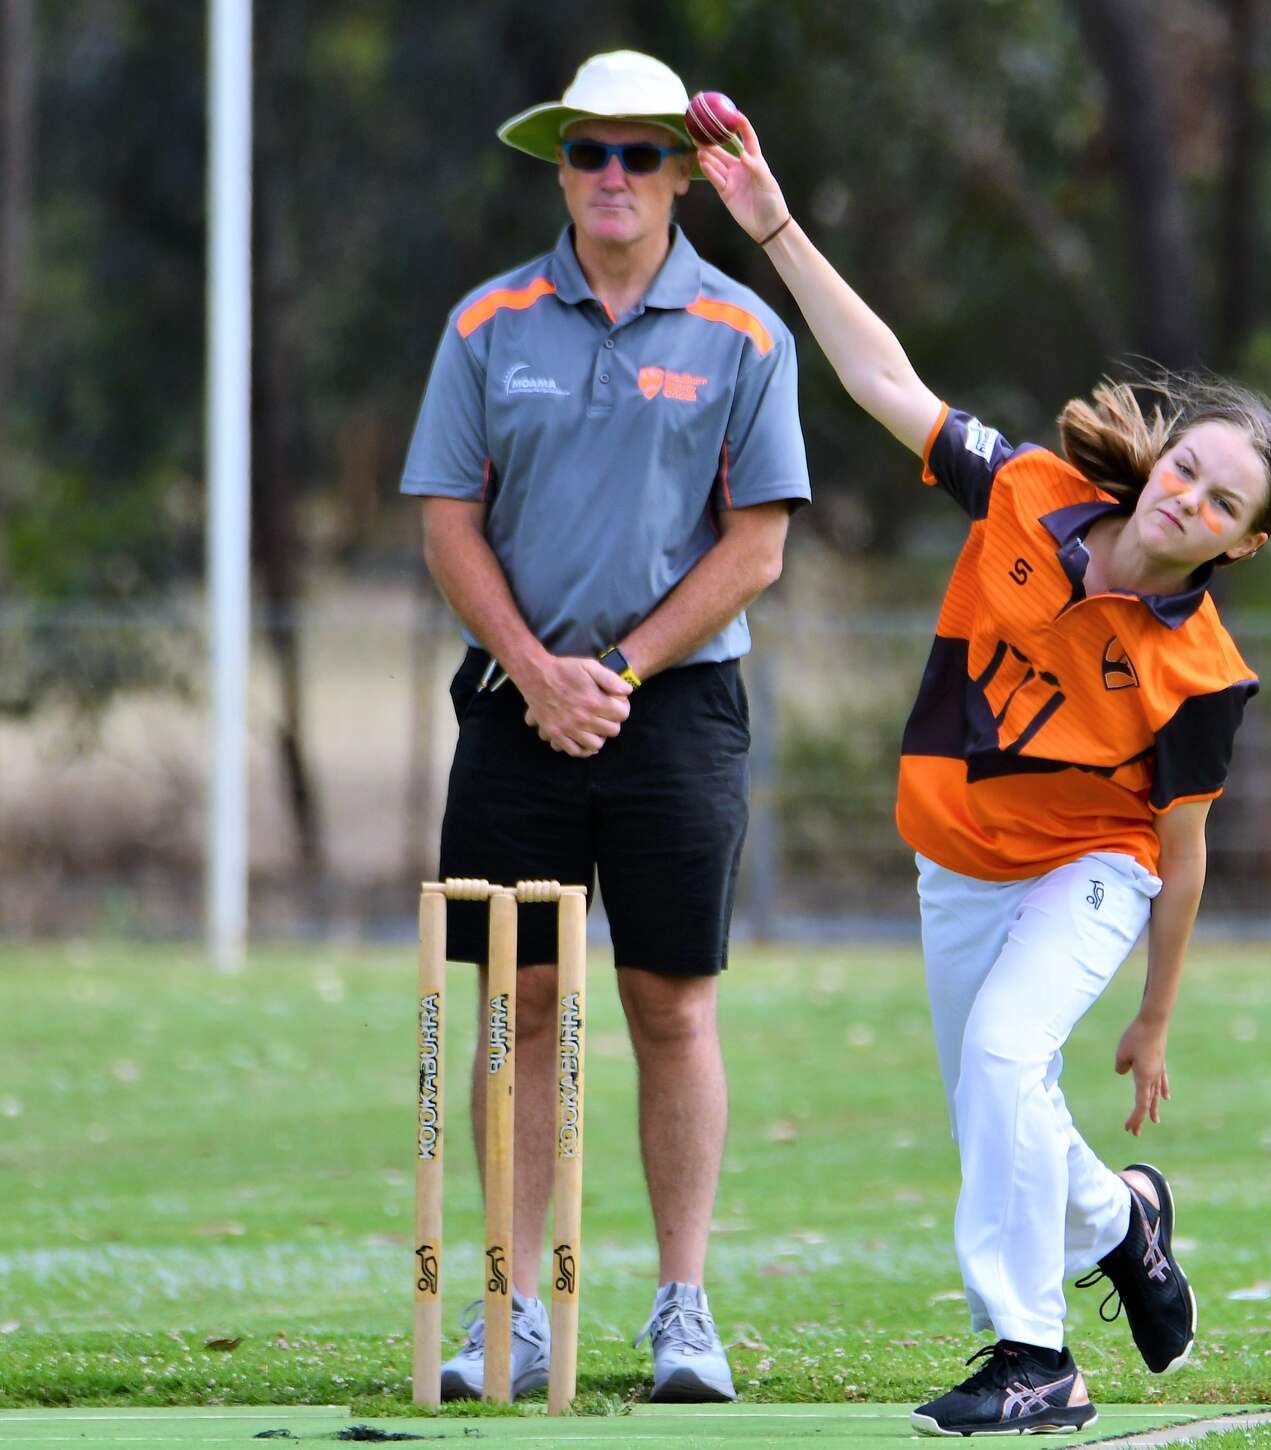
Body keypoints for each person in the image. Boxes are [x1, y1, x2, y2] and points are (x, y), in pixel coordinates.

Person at [696, 115, 1271, 1435]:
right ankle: (1125, 1223)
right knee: (996, 1099)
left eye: (1223, 505)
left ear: (1243, 544)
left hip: (1094, 869)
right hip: (959, 860)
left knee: (1007, 1054)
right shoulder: (1027, 489)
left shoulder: (1203, 671)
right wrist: (775, 227)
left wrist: (1155, 1017)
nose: (1189, 500)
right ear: (1164, 458)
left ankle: (1034, 1358)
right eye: (1189, 469)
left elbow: (1183, 853)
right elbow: (883, 376)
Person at [400, 51, 810, 1404]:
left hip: (676, 706)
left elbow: (757, 547)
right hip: (513, 702)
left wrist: (616, 671)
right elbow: (448, 521)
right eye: (591, 152)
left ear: (683, 173)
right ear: (563, 169)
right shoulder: (487, 323)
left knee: (670, 1002)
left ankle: (683, 1312)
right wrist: (536, 670)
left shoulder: (745, 332)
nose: (614, 175)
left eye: (641, 153)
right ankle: (513, 1314)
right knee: (518, 1001)